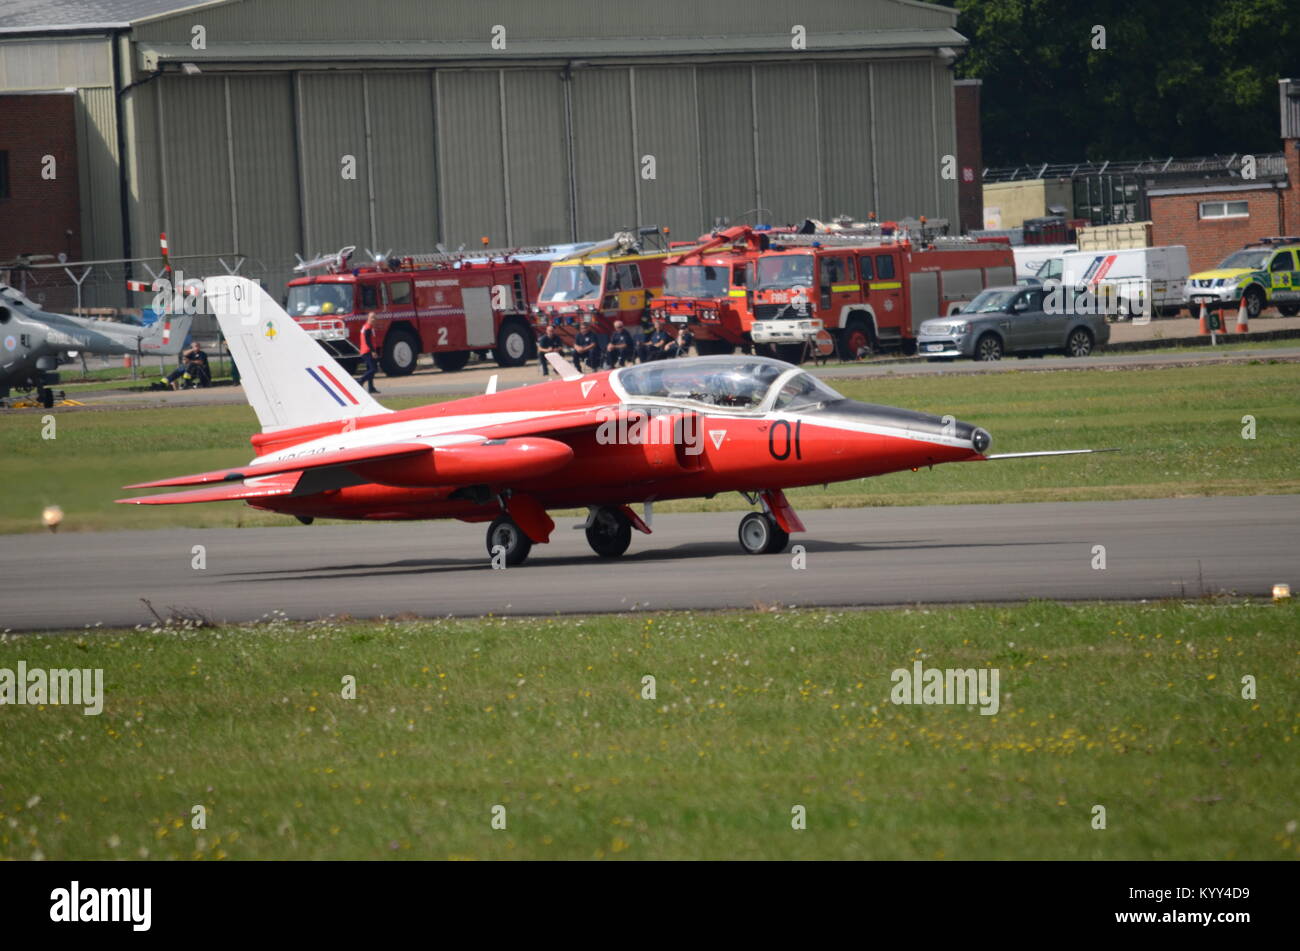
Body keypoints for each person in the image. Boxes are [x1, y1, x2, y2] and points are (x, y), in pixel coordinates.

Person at [357, 312, 380, 394]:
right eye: (372, 318)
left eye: (375, 317)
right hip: (367, 351)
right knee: (374, 369)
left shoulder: (367, 327)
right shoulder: (368, 328)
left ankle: (371, 388)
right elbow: (368, 341)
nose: (374, 319)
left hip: (365, 351)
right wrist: (373, 351)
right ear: (368, 318)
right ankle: (360, 380)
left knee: (370, 369)